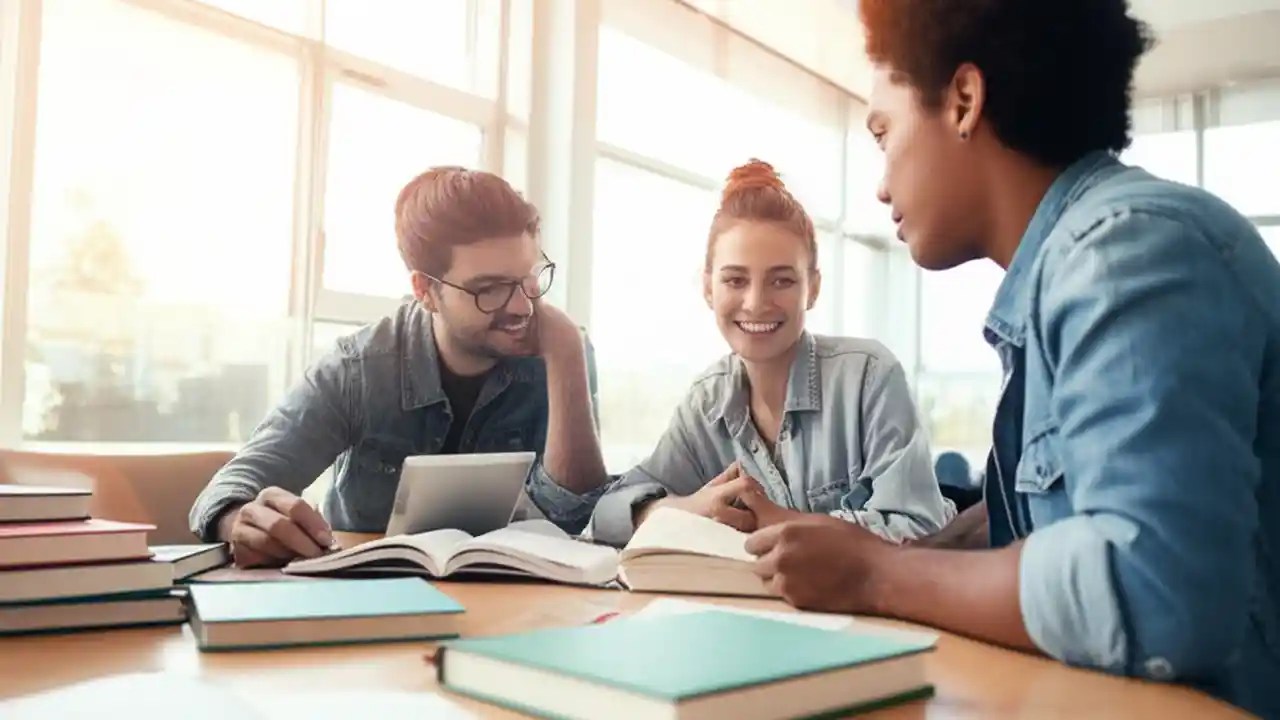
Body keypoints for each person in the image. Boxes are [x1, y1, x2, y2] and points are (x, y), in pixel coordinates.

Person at [739, 2, 1280, 716]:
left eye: (883, 133)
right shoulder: (1072, 263)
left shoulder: (1123, 251)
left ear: (963, 101)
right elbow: (1045, 519)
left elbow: (1154, 586)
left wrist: (878, 572)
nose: (878, 185)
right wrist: (897, 553)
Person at [189, 167, 611, 568]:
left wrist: (569, 354)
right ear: (425, 291)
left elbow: (575, 516)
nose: (521, 307)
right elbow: (228, 490)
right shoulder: (358, 369)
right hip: (370, 602)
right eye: (491, 289)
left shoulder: (560, 346)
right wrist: (240, 521)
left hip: (518, 602)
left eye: (529, 279)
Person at [587, 160, 954, 547]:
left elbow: (920, 527)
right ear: (709, 288)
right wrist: (686, 509)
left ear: (812, 288)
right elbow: (607, 514)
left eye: (781, 280)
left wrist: (780, 523)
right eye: (735, 280)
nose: (756, 302)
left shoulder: (869, 377)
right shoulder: (707, 403)